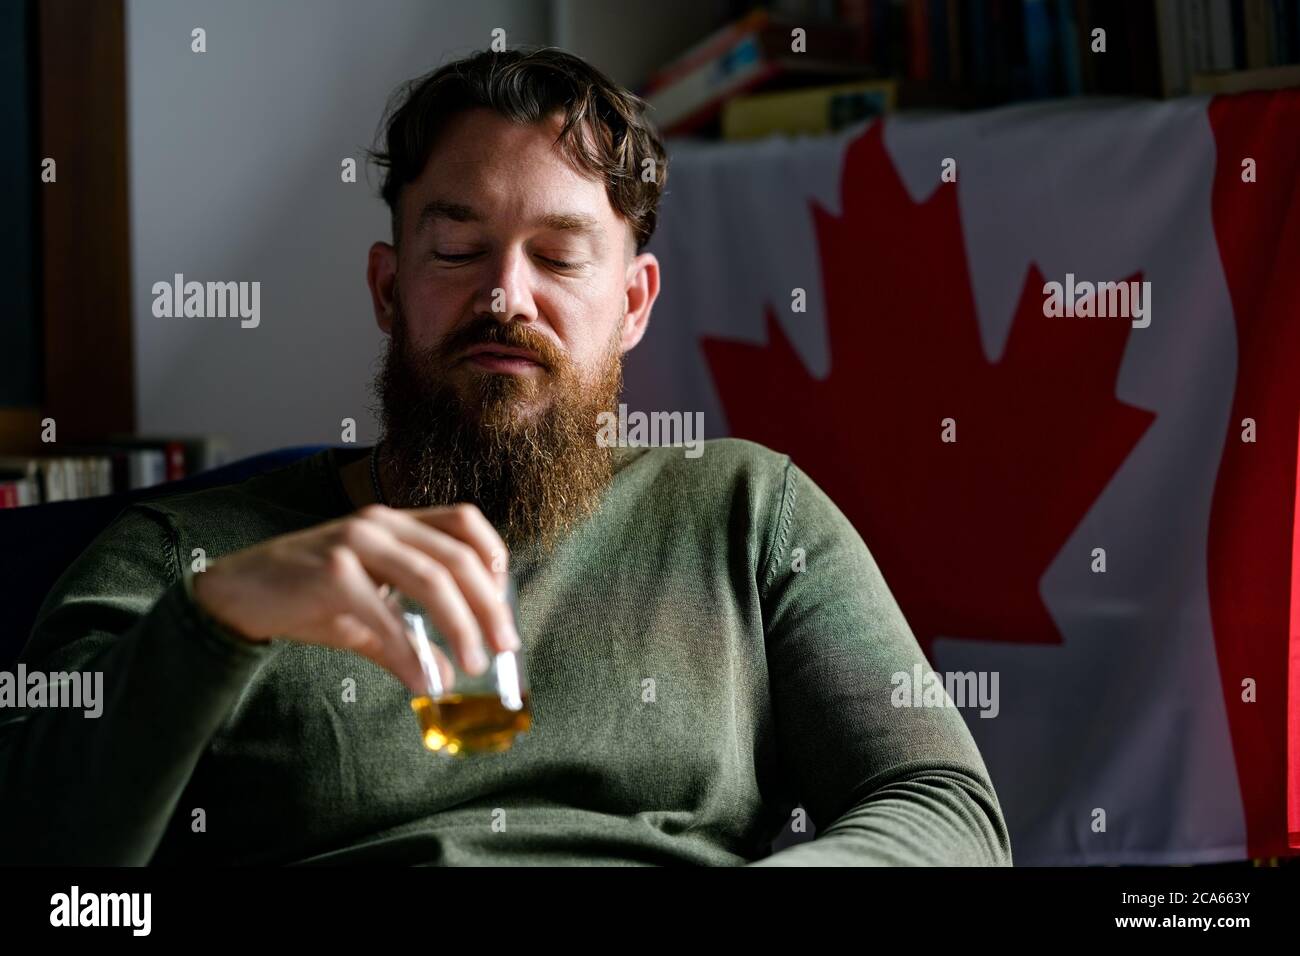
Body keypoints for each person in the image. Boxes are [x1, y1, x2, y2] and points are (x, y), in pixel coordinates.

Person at [0, 48, 1012, 866]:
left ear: (632, 304)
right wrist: (218, 618)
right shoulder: (186, 552)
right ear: (389, 290)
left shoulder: (750, 512)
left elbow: (944, 807)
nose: (505, 297)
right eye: (457, 250)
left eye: (560, 256)